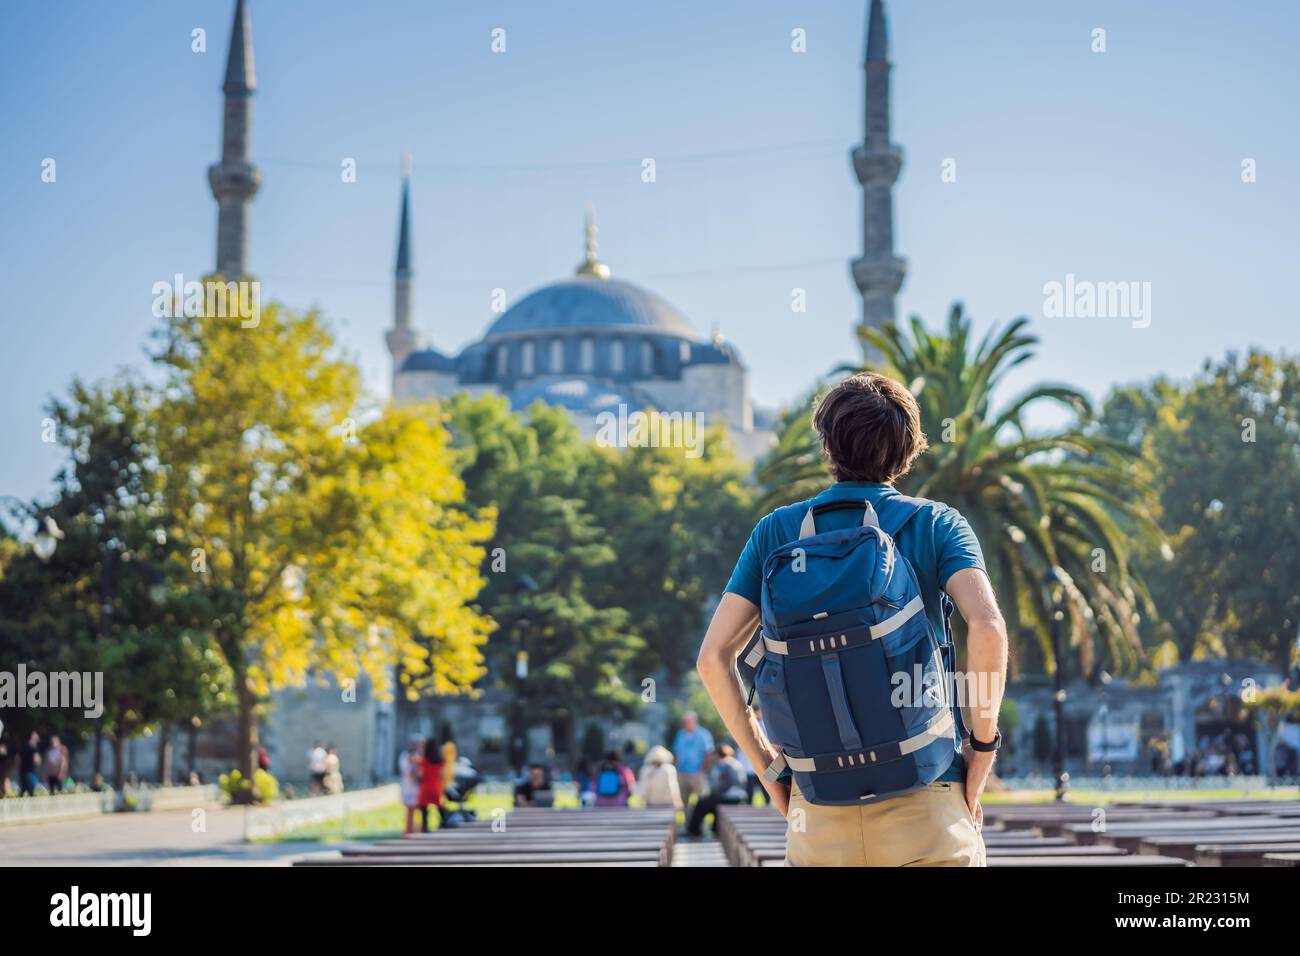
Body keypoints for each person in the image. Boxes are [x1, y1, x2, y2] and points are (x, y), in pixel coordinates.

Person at [696, 372, 1008, 867]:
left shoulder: (775, 532)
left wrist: (771, 771)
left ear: (827, 444)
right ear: (909, 448)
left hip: (820, 812)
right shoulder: (937, 524)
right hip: (927, 797)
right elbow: (987, 628)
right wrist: (982, 749)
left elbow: (713, 658)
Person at [686, 744, 748, 838]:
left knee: (700, 804)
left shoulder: (725, 764)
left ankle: (695, 832)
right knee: (710, 804)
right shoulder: (736, 763)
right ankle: (714, 829)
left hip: (729, 797)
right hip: (736, 797)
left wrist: (714, 793)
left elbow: (727, 783)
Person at [671, 712, 714, 807]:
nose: (685, 724)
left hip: (697, 773)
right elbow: (676, 752)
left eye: (687, 721)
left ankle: (699, 822)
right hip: (682, 773)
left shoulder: (704, 734)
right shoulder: (680, 734)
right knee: (683, 802)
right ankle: (687, 821)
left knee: (702, 802)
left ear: (694, 721)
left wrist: (702, 770)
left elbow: (709, 753)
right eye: (684, 722)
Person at [636, 744, 683, 810]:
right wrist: (677, 801)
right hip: (667, 803)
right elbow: (673, 787)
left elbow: (644, 788)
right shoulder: (669, 769)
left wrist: (640, 800)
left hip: (651, 803)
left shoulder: (645, 770)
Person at [417, 739, 444, 832]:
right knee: (440, 808)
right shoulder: (440, 761)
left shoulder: (424, 761)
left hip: (426, 787)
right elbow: (441, 775)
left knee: (424, 810)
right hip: (436, 786)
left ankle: (425, 828)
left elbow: (421, 775)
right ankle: (442, 825)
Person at [399, 736, 423, 835]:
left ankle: (418, 830)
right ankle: (409, 832)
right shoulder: (405, 756)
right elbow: (409, 773)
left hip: (417, 787)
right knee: (410, 810)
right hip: (409, 787)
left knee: (420, 811)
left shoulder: (419, 756)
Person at [19, 732, 41, 796]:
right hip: (30, 772)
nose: (38, 737)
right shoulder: (33, 747)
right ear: (33, 737)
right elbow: (36, 760)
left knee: (23, 789)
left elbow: (19, 759)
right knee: (33, 790)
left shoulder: (24, 746)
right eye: (36, 736)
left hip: (23, 771)